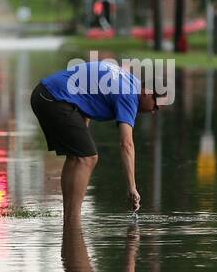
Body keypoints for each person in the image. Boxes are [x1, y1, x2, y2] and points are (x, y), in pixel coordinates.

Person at [30, 59, 158, 224]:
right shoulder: (129, 96)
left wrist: (82, 133)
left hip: (45, 94)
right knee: (88, 157)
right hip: (54, 99)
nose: (154, 111)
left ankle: (69, 218)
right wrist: (132, 187)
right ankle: (73, 221)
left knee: (78, 156)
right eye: (156, 106)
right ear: (147, 93)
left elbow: (87, 97)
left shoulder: (130, 81)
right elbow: (127, 144)